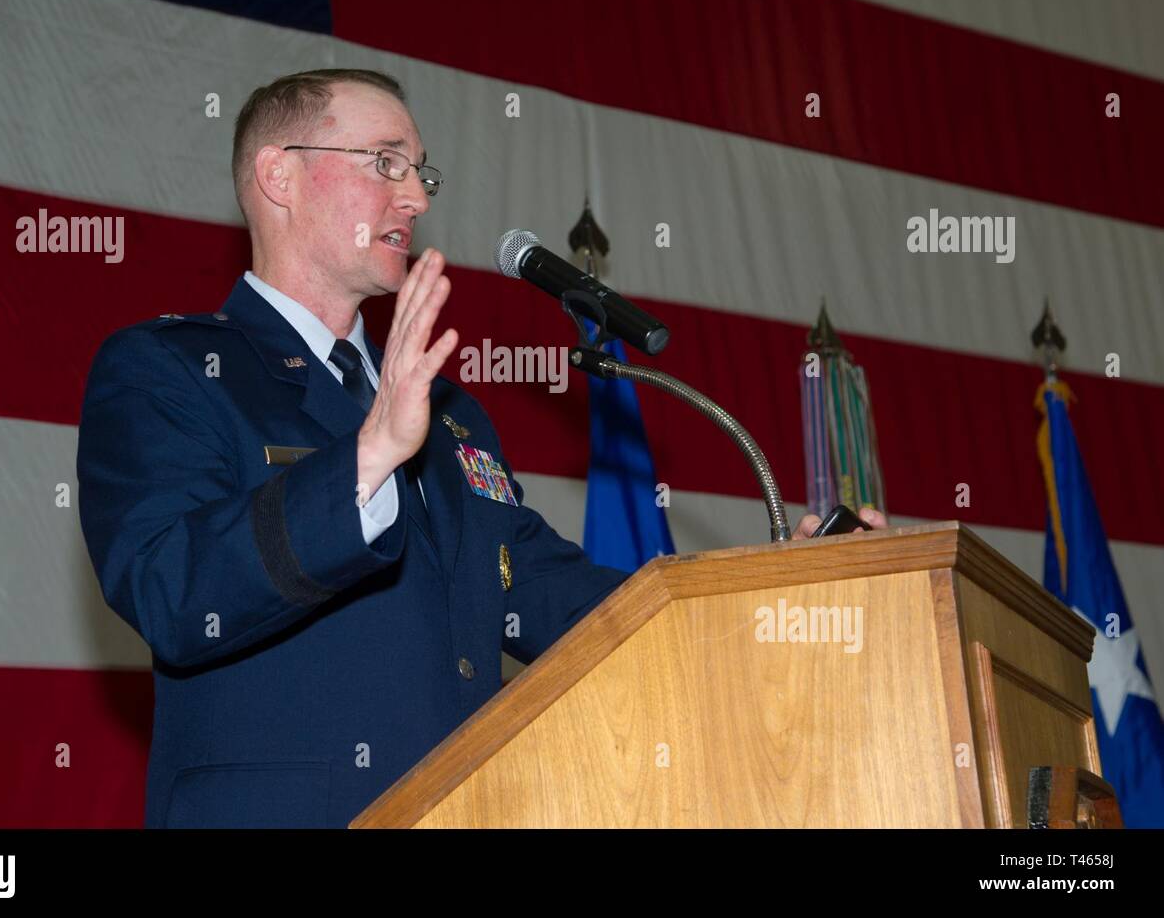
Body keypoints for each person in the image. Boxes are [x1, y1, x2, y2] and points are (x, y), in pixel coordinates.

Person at [77, 69, 884, 829]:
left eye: (422, 173)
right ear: (279, 176)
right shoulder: (173, 370)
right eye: (385, 162)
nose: (414, 197)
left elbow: (562, 601)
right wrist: (367, 457)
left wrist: (775, 597)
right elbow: (171, 592)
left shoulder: (449, 415)